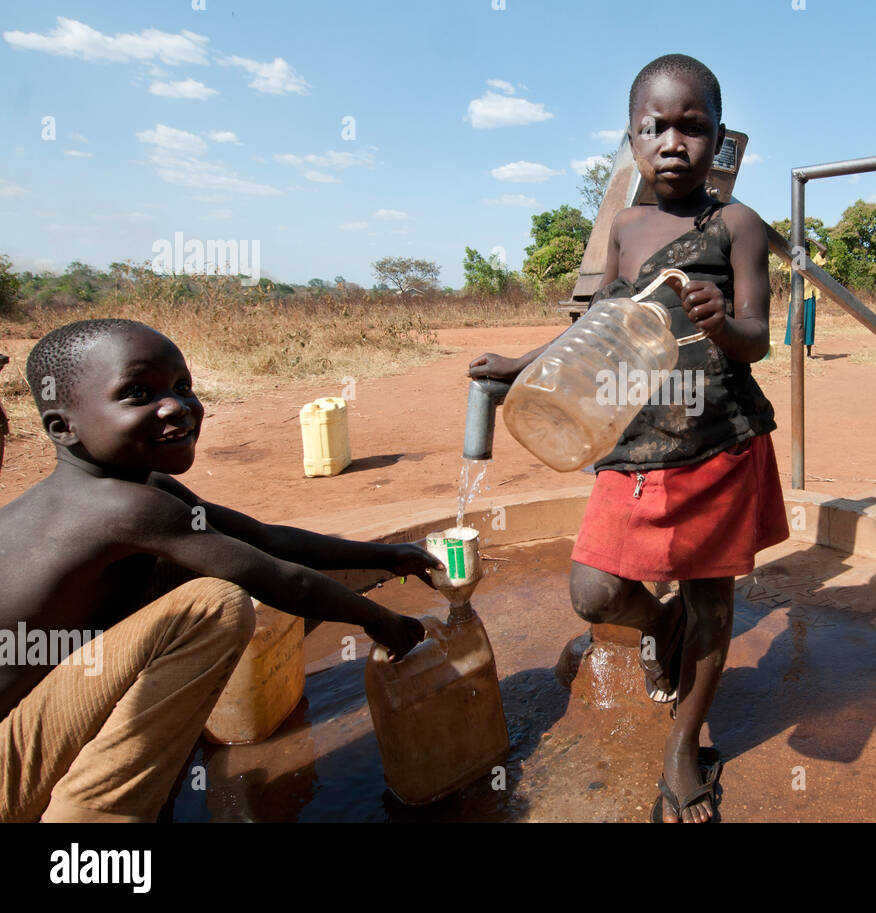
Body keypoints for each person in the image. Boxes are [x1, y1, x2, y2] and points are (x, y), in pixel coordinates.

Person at [469, 54, 788, 822]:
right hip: (636, 427)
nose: (672, 141)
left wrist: (723, 320)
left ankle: (683, 746)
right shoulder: (626, 226)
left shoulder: (737, 225)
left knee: (713, 598)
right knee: (596, 590)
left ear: (720, 139)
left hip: (717, 435)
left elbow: (758, 338)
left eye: (692, 126)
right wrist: (519, 365)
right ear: (632, 136)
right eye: (655, 126)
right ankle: (661, 620)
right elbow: (596, 327)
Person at [0, 319, 433, 822]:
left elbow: (266, 538)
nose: (176, 406)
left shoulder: (142, 490)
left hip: (30, 722)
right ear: (63, 427)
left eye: (182, 387)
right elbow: (279, 577)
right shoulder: (122, 509)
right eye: (137, 393)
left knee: (184, 566)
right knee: (211, 602)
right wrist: (382, 621)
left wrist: (384, 556)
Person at [784, 240, 823, 356]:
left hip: (809, 296)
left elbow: (824, 250)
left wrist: (812, 241)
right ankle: (795, 351)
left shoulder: (813, 263)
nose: (805, 257)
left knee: (809, 324)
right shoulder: (793, 263)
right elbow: (783, 251)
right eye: (803, 255)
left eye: (807, 255)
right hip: (796, 297)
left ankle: (809, 353)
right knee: (794, 324)